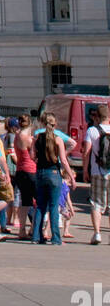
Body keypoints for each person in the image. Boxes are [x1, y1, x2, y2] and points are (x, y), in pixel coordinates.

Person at [32, 112, 74, 246]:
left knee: (40, 206)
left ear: (43, 123)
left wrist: (38, 158)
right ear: (54, 124)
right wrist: (71, 177)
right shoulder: (58, 139)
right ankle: (56, 238)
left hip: (40, 172)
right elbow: (64, 160)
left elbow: (33, 156)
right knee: (54, 206)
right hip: (54, 172)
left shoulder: (37, 137)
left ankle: (36, 236)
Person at [82, 103, 110, 245]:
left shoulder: (92, 131)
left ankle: (97, 233)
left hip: (97, 171)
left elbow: (86, 152)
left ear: (96, 116)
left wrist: (85, 170)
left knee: (96, 203)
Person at [12, 113, 37, 240]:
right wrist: (34, 142)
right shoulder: (27, 138)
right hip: (30, 170)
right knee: (37, 200)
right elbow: (33, 155)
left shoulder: (17, 136)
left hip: (20, 170)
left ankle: (22, 229)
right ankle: (33, 228)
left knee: (25, 202)